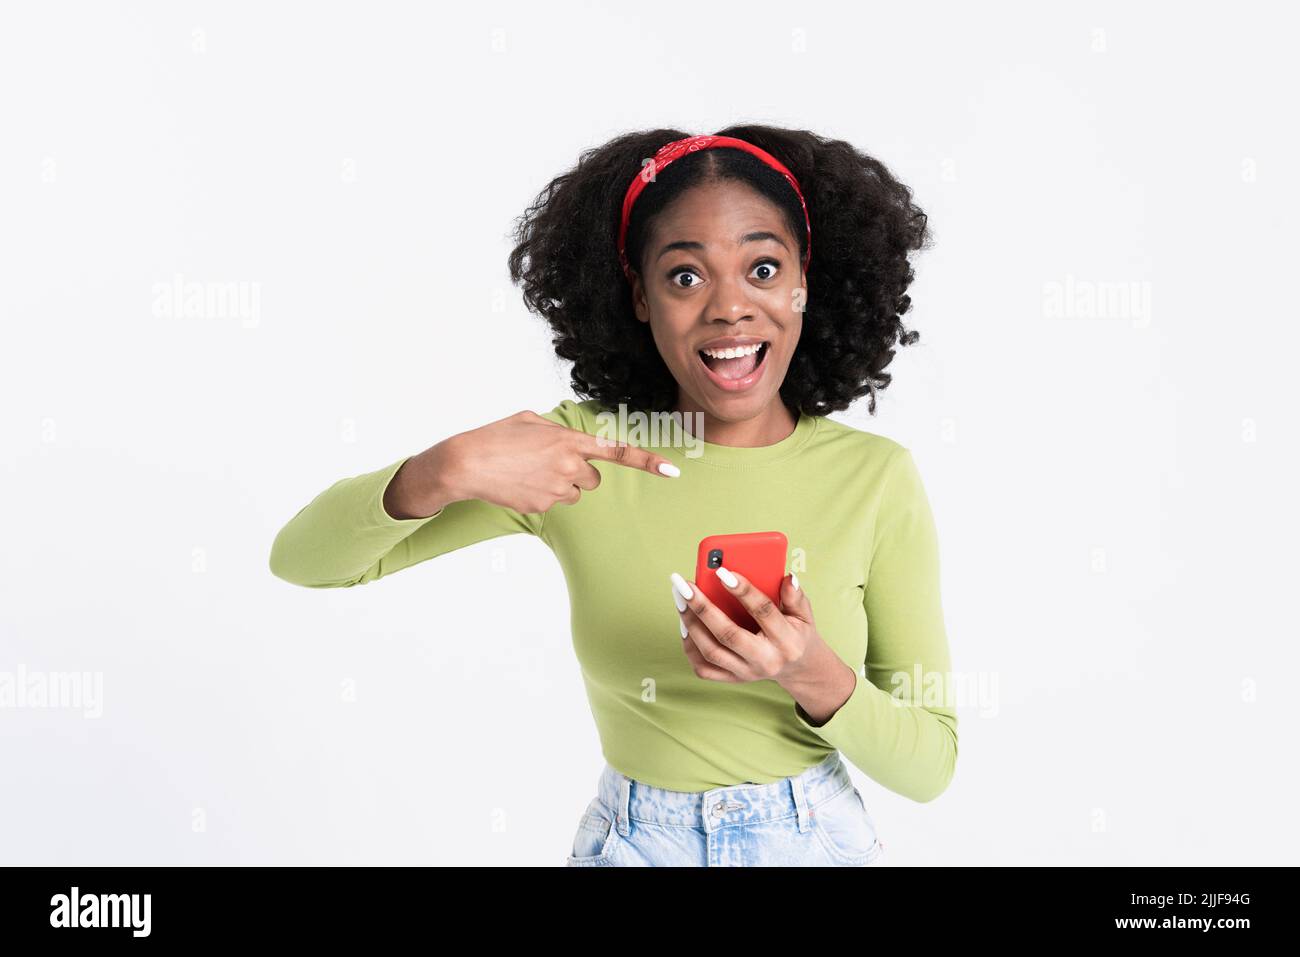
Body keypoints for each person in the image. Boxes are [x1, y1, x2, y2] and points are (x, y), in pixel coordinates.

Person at [269, 125, 957, 866]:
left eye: (762, 268)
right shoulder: (581, 456)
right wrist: (444, 467)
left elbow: (932, 765)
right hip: (634, 844)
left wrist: (808, 670)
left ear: (804, 281)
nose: (729, 308)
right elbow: (304, 560)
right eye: (686, 276)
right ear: (638, 295)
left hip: (817, 839)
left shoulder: (876, 478)